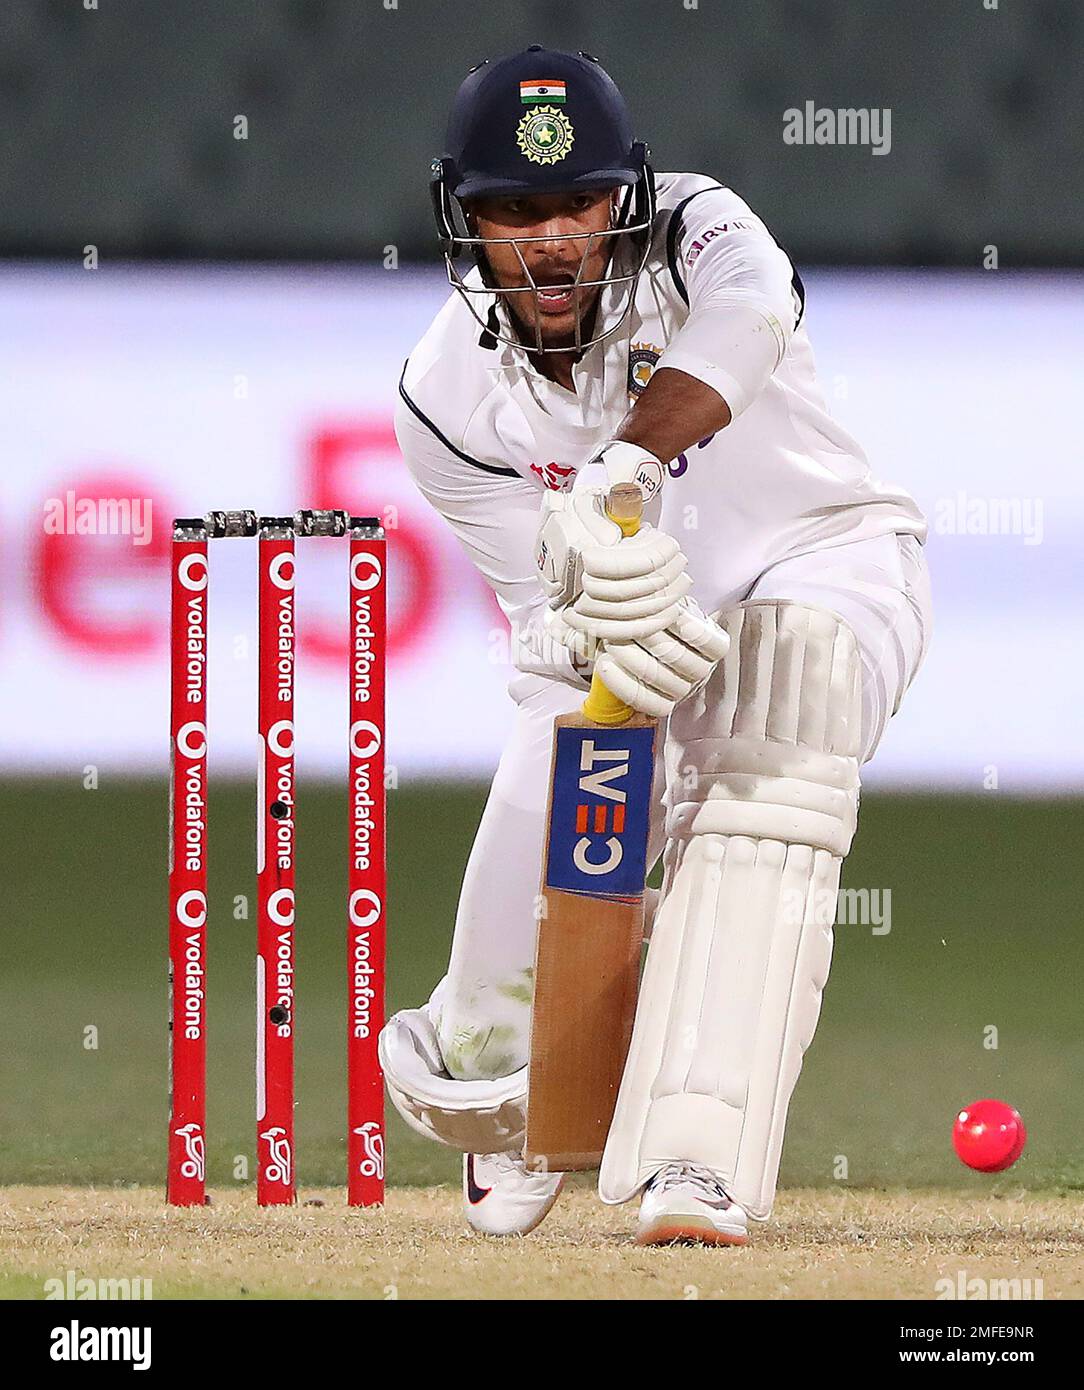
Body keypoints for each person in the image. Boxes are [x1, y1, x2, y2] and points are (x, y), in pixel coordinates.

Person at [379, 45, 931, 1245]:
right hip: (626, 624)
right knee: (566, 758)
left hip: (822, 555)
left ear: (620, 197)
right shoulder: (441, 400)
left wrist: (626, 461)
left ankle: (695, 1161)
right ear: (463, 222)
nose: (552, 240)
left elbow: (749, 314)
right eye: (512, 212)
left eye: (576, 202)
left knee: (776, 725)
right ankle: (505, 1081)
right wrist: (601, 627)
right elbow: (546, 624)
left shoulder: (698, 230)